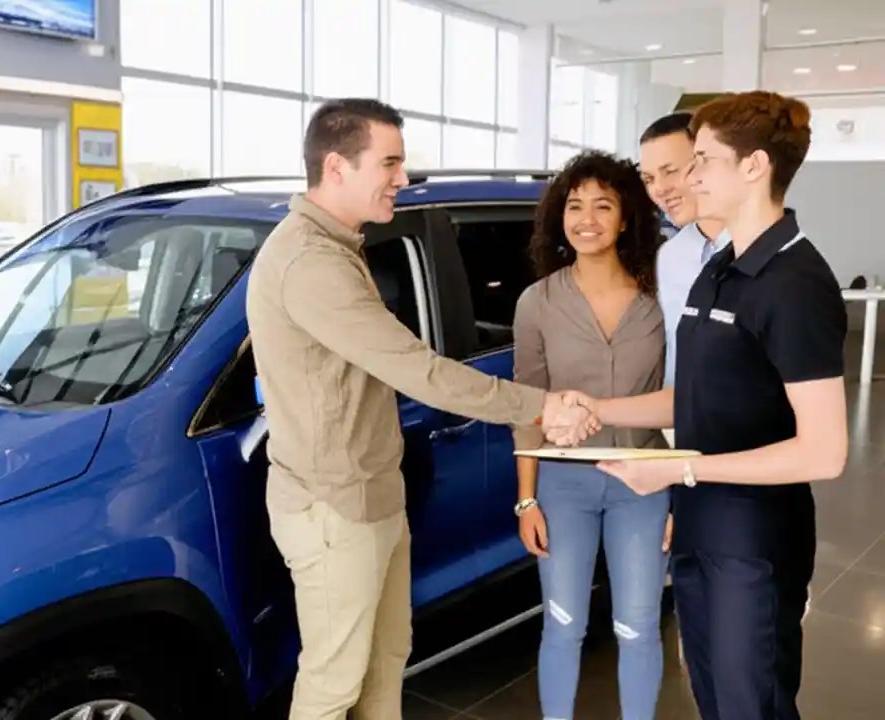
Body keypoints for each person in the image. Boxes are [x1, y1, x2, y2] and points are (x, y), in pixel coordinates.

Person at [244, 98, 599, 720]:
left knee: (384, 663)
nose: (402, 180)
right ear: (336, 167)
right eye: (390, 163)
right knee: (334, 682)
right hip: (335, 508)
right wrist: (543, 407)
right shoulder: (310, 261)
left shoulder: (337, 244)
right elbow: (416, 369)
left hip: (372, 493)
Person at [593, 91, 848, 720]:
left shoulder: (795, 284)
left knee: (750, 703)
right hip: (702, 521)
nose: (688, 177)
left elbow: (825, 450)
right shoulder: (717, 269)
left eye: (702, 160)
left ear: (755, 167)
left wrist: (678, 469)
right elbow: (697, 399)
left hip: (754, 540)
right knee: (712, 697)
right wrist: (598, 409)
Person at [512, 150, 668, 720]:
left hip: (645, 483)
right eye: (575, 206)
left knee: (638, 627)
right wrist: (526, 497)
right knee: (563, 624)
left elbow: (684, 401)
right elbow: (526, 406)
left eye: (603, 206)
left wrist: (682, 489)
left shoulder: (661, 299)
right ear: (559, 217)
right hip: (562, 484)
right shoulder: (538, 302)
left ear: (626, 217)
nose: (587, 219)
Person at [638, 112, 731, 396]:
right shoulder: (669, 257)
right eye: (649, 178)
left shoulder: (763, 252)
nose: (659, 189)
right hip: (680, 427)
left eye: (670, 171)